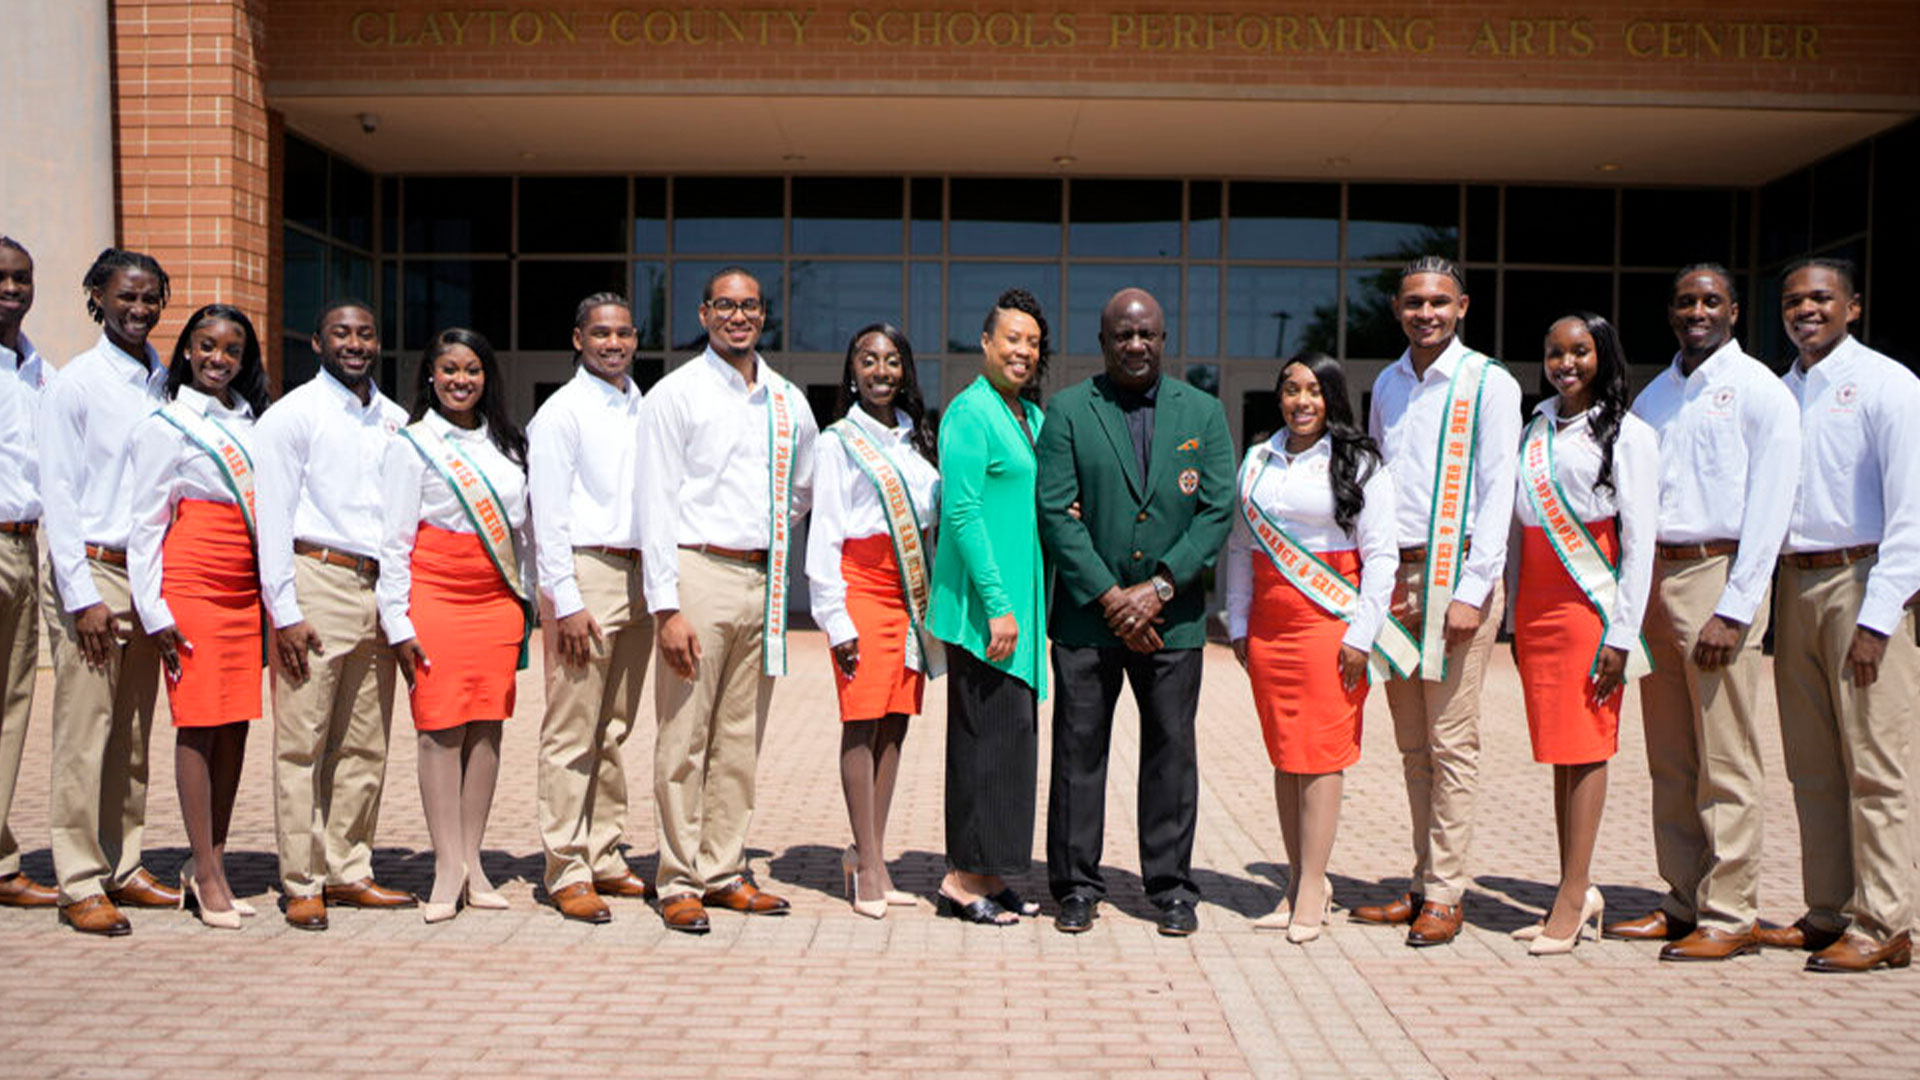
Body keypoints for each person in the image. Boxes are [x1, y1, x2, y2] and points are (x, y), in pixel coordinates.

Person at [1605, 263, 1798, 962]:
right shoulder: (1654, 398)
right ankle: (1683, 897)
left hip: (1717, 577)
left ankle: (1733, 910)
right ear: (1671, 313)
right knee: (1672, 757)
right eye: (1686, 301)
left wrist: (1738, 607)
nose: (1698, 311)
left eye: (1711, 300)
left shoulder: (1761, 394)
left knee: (1728, 756)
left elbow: (1771, 510)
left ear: (1735, 312)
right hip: (1655, 576)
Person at [1036, 287, 1234, 937]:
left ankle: (1171, 886)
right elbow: (1056, 512)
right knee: (1077, 753)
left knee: (1171, 754)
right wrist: (1112, 596)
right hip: (1088, 620)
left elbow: (1215, 511)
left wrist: (1162, 587)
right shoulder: (1067, 410)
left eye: (1147, 334)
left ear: (1164, 338)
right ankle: (1075, 885)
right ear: (1103, 341)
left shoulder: (1201, 413)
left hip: (1171, 621)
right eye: (1122, 334)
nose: (1135, 345)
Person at [637, 267, 817, 933]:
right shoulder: (675, 395)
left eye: (749, 306)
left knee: (740, 736)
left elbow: (803, 488)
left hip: (761, 580)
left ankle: (723, 867)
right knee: (685, 734)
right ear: (704, 312)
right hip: (697, 574)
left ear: (764, 313)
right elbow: (653, 505)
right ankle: (678, 878)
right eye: (725, 306)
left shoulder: (785, 399)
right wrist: (666, 606)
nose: (738, 317)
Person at [1352, 256, 1521, 947]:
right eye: (1415, 302)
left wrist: (1474, 591)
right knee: (1413, 745)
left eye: (1439, 302)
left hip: (1459, 582)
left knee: (1452, 743)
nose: (1427, 313)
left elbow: (1497, 489)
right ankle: (1422, 881)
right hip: (1398, 578)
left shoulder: (1491, 385)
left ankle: (1448, 893)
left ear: (1463, 307)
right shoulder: (1388, 384)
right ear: (1398, 308)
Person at [1758, 258, 1920, 973]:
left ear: (1853, 306)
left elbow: (1912, 514)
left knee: (1877, 767)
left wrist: (1880, 616)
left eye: (1821, 298)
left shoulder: (1890, 385)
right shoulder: (1779, 390)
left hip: (1863, 581)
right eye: (1794, 300)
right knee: (1813, 765)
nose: (1806, 310)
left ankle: (1885, 921)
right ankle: (1828, 910)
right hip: (1794, 585)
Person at [1226, 353, 1399, 945]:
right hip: (1271, 625)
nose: (1302, 401)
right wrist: (1239, 621)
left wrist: (1361, 635)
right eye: (1291, 390)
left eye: (1314, 390)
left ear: (1332, 398)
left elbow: (1382, 557)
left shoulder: (1361, 462)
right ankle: (1300, 879)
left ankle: (1312, 887)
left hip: (1331, 624)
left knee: (1321, 757)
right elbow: (1240, 547)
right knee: (1286, 755)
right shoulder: (1257, 459)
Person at [254, 299, 412, 930]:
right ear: (316, 344)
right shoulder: (292, 416)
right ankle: (301, 879)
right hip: (315, 579)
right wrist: (283, 610)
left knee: (364, 743)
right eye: (341, 334)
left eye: (366, 334)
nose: (355, 343)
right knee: (303, 743)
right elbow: (272, 518)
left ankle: (349, 868)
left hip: (380, 590)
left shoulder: (397, 421)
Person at [39, 248, 180, 935]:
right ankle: (78, 879)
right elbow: (57, 495)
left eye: (151, 297)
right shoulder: (76, 384)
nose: (140, 308)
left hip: (147, 575)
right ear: (97, 296)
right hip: (93, 570)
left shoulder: (164, 382)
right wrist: (79, 594)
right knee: (83, 731)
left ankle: (123, 863)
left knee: (130, 731)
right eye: (127, 296)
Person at [1506, 314, 1657, 955]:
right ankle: (1575, 885)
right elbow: (1520, 523)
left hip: (1588, 601)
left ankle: (1573, 893)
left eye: (1580, 351)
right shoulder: (1536, 424)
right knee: (1559, 750)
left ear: (1604, 356)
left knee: (1586, 742)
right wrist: (1513, 613)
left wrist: (1622, 633)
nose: (1566, 363)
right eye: (1555, 352)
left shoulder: (1630, 433)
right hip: (1539, 598)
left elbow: (1642, 541)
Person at [125, 304, 271, 929]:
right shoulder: (168, 423)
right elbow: (145, 522)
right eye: (207, 346)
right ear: (186, 350)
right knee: (198, 721)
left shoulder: (253, 420)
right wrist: (153, 609)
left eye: (232, 350)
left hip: (243, 585)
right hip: (192, 579)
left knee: (234, 723)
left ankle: (209, 858)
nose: (219, 359)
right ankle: (206, 872)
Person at [378, 328, 530, 923]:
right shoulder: (411, 444)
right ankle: (445, 865)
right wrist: (397, 619)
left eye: (471, 369)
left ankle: (474, 860)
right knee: (439, 727)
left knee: (486, 728)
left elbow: (523, 534)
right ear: (430, 376)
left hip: (494, 600)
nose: (460, 380)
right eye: (448, 370)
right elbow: (393, 541)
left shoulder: (509, 445)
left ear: (486, 376)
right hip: (434, 593)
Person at [807, 323, 942, 919]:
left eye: (891, 361)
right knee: (861, 720)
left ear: (905, 371)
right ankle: (867, 865)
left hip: (911, 593)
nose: (881, 371)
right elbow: (826, 533)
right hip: (860, 588)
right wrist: (834, 619)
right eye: (868, 360)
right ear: (852, 370)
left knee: (895, 724)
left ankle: (873, 854)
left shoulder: (920, 440)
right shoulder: (838, 441)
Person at [528, 293, 655, 924]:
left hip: (637, 576)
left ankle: (605, 850)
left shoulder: (645, 406)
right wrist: (566, 598)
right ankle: (566, 866)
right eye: (600, 334)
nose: (613, 344)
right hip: (586, 571)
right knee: (572, 730)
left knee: (614, 727)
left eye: (623, 334)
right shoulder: (561, 413)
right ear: (577, 339)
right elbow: (546, 517)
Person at [927, 288, 1050, 926]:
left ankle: (993, 872)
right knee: (983, 745)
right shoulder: (969, 414)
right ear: (985, 343)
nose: (1022, 351)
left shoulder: (1027, 416)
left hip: (1021, 616)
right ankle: (959, 879)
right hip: (986, 615)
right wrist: (999, 606)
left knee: (1011, 746)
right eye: (1012, 339)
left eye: (1031, 342)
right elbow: (964, 512)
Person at [0, 236, 54, 909]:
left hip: (24, 546)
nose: (11, 289)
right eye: (1, 278)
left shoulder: (41, 372)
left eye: (22, 278)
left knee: (13, 707)